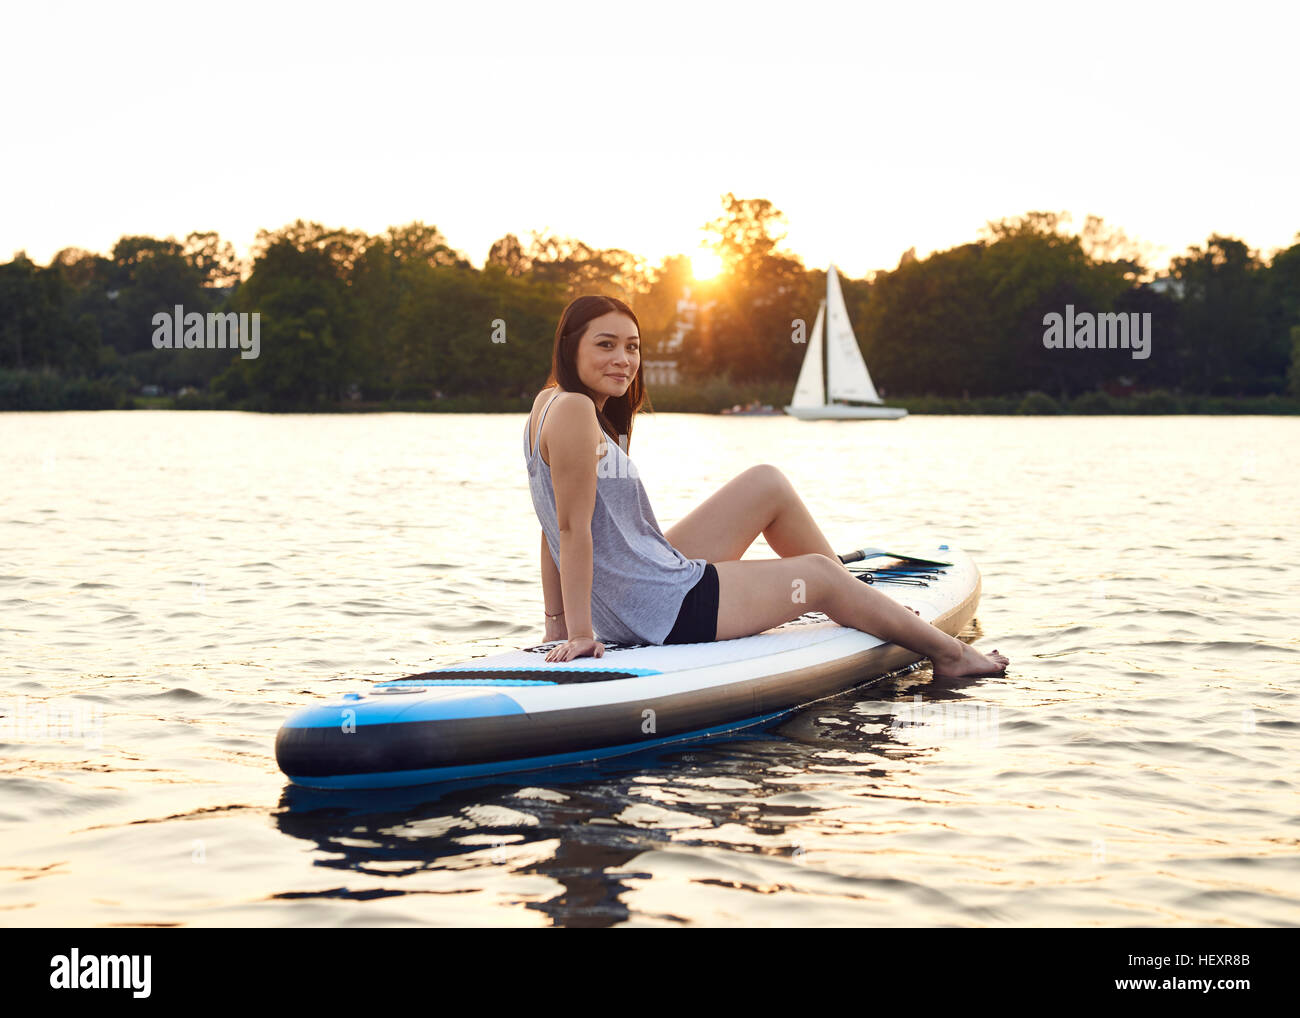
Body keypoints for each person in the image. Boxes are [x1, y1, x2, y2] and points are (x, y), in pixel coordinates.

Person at [524, 295, 1008, 679]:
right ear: (571, 347)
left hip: (642, 580)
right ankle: (949, 655)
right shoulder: (575, 411)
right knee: (817, 574)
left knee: (766, 483)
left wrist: (556, 622)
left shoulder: (554, 404)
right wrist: (581, 633)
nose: (623, 359)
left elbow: (550, 526)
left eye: (632, 347)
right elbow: (568, 529)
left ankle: (853, 598)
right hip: (658, 610)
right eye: (605, 345)